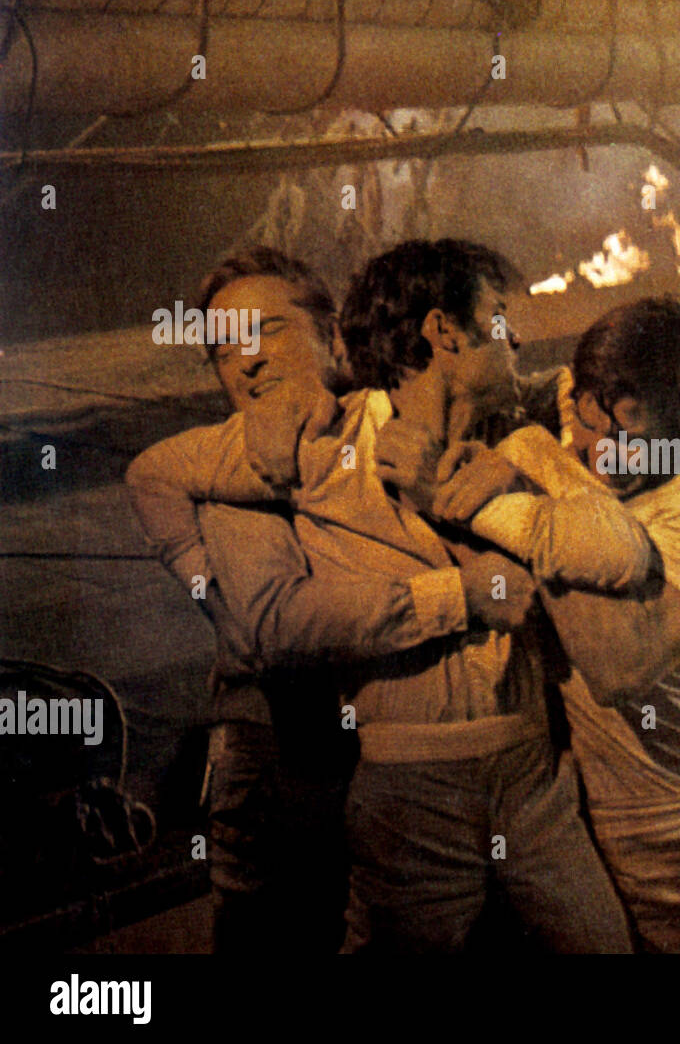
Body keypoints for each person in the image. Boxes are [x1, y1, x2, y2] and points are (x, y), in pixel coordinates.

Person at [129, 240, 634, 953]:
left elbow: (541, 392)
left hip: (463, 765)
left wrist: (526, 474)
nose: (243, 360)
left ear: (331, 336)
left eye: (266, 330)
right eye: (221, 349)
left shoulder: (405, 415)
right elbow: (268, 624)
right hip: (283, 760)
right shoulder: (253, 463)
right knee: (278, 934)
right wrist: (202, 580)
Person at [395, 296, 680, 952]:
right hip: (579, 825)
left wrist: (515, 493)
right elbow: (506, 386)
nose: (603, 455)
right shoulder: (591, 406)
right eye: (590, 426)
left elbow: (616, 664)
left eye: (632, 438)